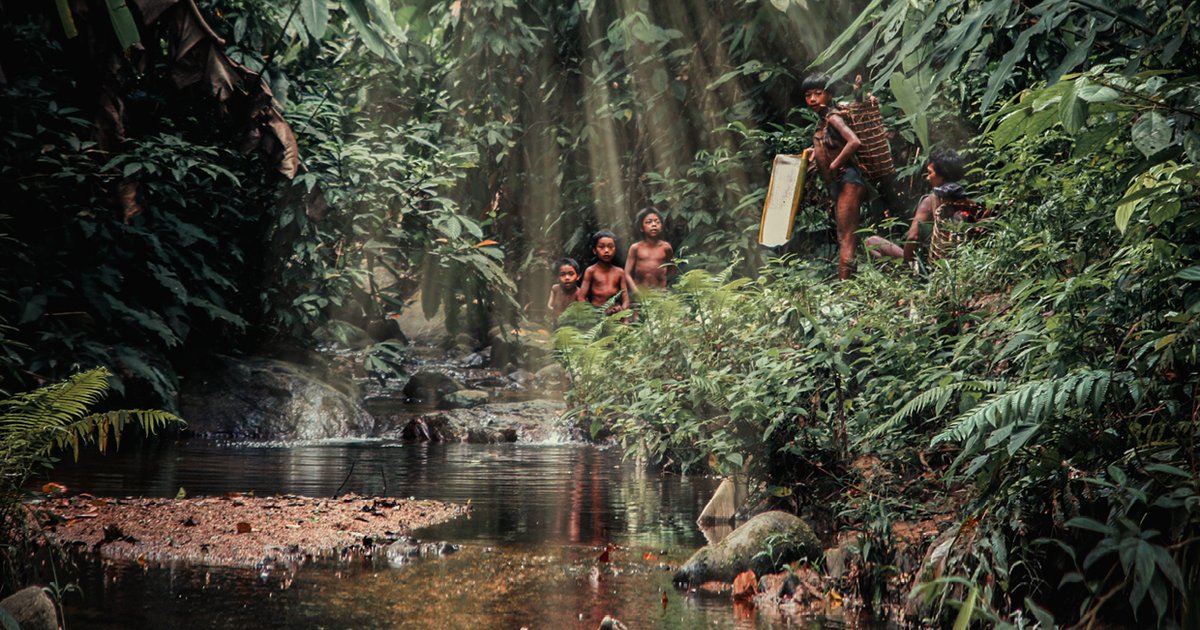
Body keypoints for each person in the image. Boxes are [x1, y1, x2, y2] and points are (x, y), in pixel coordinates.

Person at [865, 147, 988, 268]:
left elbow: (913, 237)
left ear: (942, 176)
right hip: (960, 263)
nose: (927, 177)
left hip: (932, 263)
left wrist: (909, 264)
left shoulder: (930, 201)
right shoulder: (967, 202)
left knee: (871, 241)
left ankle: (905, 275)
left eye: (930, 173)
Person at [801, 73, 866, 280]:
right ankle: (850, 283)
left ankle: (845, 289)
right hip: (838, 183)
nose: (812, 99)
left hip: (848, 179)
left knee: (846, 236)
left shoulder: (833, 117)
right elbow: (830, 146)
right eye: (808, 95)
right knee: (844, 234)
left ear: (828, 95)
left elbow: (854, 141)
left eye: (818, 94)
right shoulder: (823, 122)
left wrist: (835, 164)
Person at [577, 229, 632, 314]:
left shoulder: (619, 272)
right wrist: (590, 314)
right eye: (601, 247)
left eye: (610, 246)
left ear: (615, 249)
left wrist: (622, 314)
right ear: (594, 250)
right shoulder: (591, 271)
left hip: (614, 314)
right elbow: (581, 298)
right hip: (596, 313)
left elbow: (626, 299)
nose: (606, 250)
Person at [625, 207, 674, 290]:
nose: (654, 224)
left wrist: (666, 288)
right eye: (649, 222)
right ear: (641, 228)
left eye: (657, 222)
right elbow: (627, 273)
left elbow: (672, 270)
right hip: (642, 295)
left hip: (662, 296)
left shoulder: (666, 247)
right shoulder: (636, 248)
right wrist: (637, 293)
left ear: (661, 227)